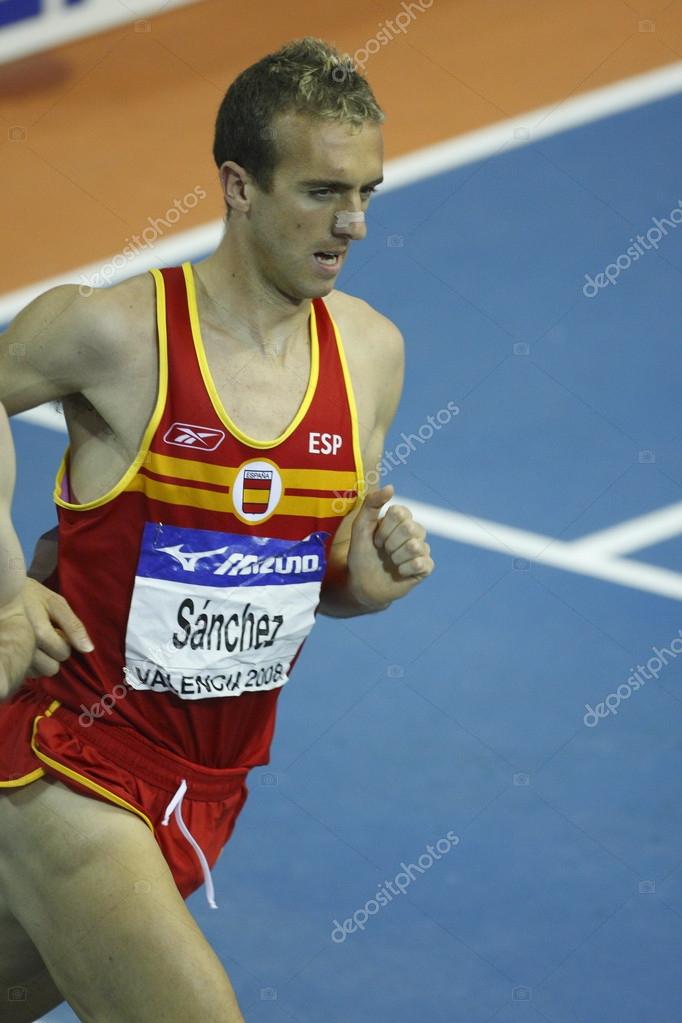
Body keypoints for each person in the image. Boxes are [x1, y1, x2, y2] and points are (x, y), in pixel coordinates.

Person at [0, 37, 434, 1023]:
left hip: (206, 785)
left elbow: (303, 572)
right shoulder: (114, 332)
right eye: (322, 192)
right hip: (69, 757)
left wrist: (359, 580)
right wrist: (4, 586)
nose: (354, 223)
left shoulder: (370, 355)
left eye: (366, 192)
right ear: (239, 186)